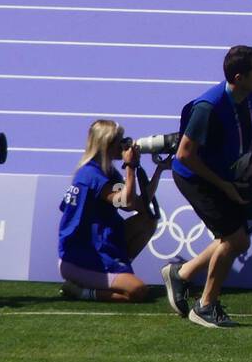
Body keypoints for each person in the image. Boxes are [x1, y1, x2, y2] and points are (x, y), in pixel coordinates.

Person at [160, 45, 252, 328]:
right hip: (196, 177)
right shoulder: (208, 108)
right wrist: (224, 187)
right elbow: (184, 155)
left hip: (228, 171)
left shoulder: (251, 94)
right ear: (239, 77)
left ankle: (181, 275)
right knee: (236, 239)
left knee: (237, 234)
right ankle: (205, 306)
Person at [57, 120, 170, 303]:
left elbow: (135, 205)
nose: (124, 145)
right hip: (80, 256)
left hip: (97, 245)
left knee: (147, 220)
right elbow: (126, 200)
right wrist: (131, 167)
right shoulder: (91, 175)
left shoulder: (106, 172)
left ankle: (118, 270)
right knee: (138, 291)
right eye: (120, 141)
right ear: (106, 144)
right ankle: (81, 292)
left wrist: (159, 170)